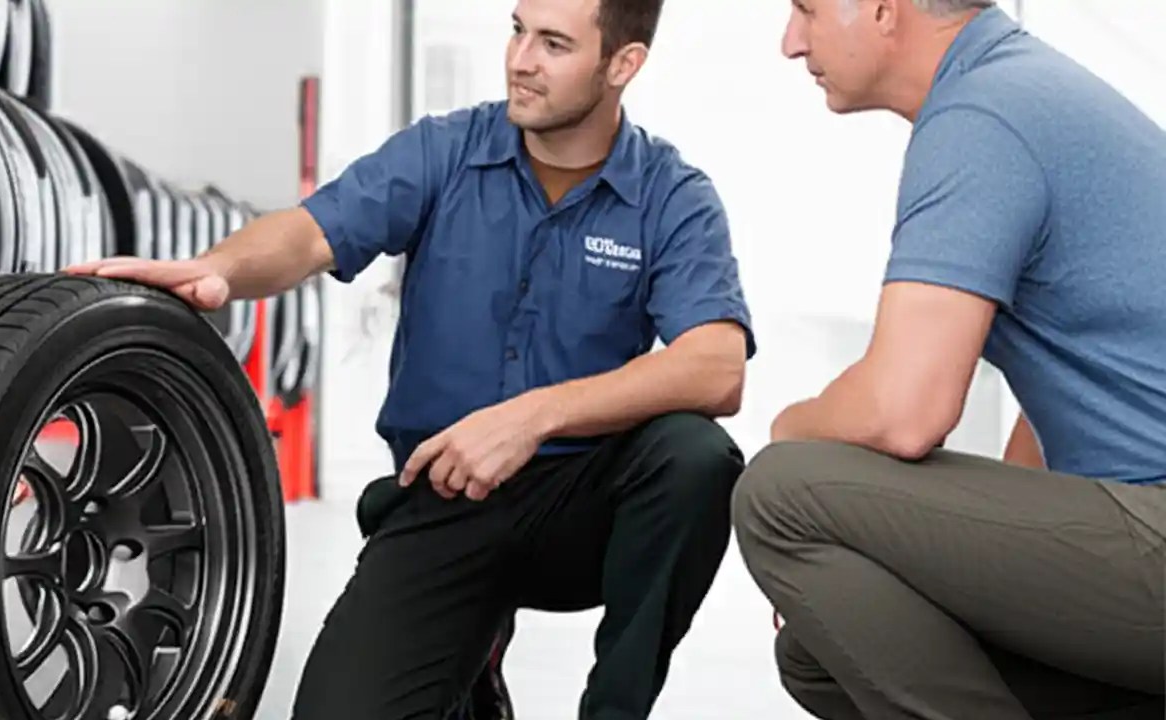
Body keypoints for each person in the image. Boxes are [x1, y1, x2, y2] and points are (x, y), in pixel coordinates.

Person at [67, 0, 757, 717]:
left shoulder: (672, 197)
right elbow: (309, 234)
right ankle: (471, 672)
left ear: (623, 64)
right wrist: (216, 271)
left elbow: (717, 366)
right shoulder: (447, 150)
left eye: (554, 43)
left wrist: (534, 416)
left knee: (695, 458)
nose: (520, 59)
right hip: (446, 494)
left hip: (583, 510)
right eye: (518, 30)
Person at [730, 0, 1166, 718]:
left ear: (881, 9)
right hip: (1135, 527)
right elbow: (1065, 387)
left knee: (781, 493)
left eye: (806, 9)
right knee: (825, 647)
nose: (789, 41)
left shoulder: (982, 116)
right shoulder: (1025, 88)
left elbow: (904, 412)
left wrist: (787, 427)